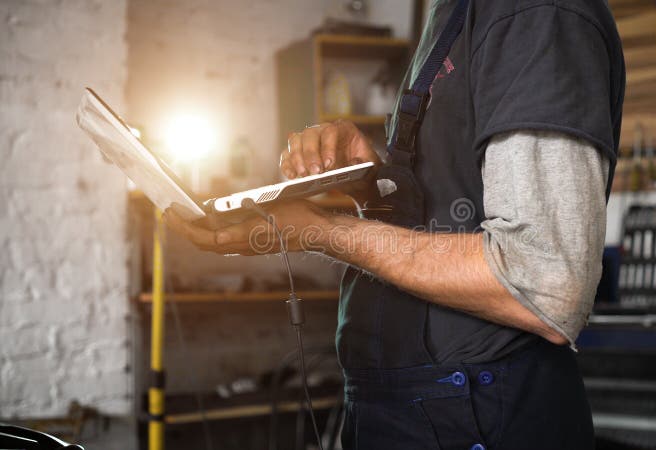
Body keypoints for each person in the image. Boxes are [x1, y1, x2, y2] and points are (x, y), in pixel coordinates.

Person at [166, 0, 625, 448]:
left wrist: (318, 229)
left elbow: (544, 284)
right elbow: (448, 217)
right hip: (408, 405)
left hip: (477, 412)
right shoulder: (452, 15)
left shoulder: (536, 15)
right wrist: (371, 184)